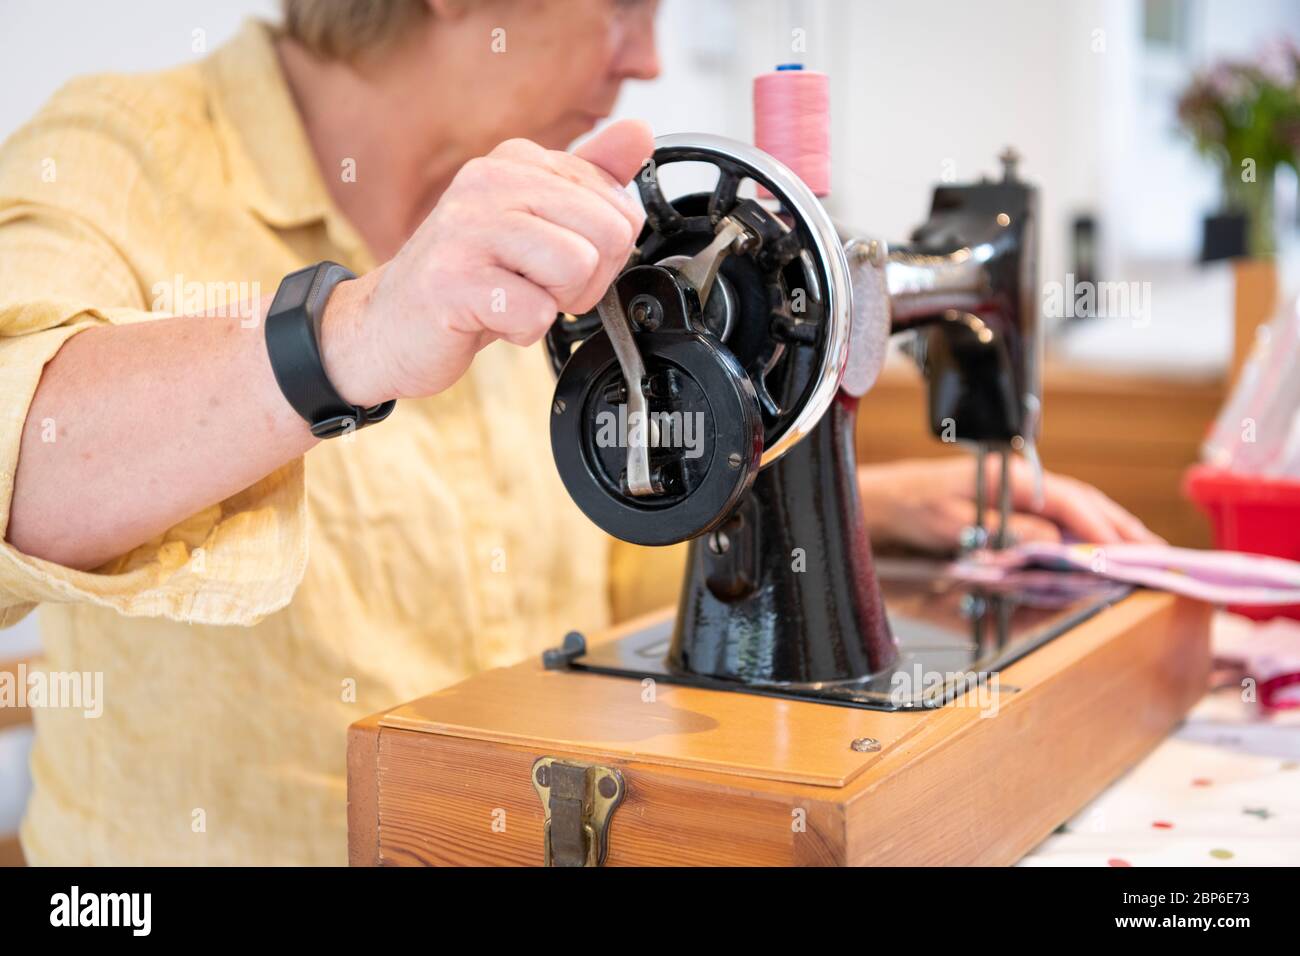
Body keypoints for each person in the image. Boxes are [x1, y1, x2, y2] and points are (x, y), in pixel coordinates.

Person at [0, 0, 1157, 865]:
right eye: (623, 5)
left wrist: (809, 485)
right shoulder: (126, 152)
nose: (647, 55)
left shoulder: (552, 223)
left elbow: (600, 561)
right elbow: (18, 456)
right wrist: (356, 329)